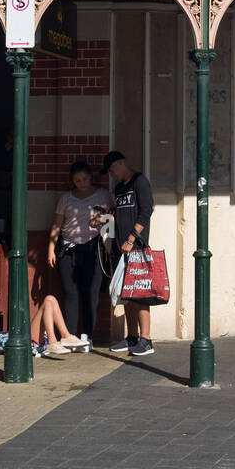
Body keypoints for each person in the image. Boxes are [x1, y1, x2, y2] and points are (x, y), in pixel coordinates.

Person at [97, 150, 155, 357]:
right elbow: (120, 212)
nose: (112, 174)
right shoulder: (119, 188)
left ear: (122, 163)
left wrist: (132, 238)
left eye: (113, 169)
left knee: (140, 294)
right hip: (119, 248)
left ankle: (146, 340)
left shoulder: (140, 181)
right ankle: (132, 337)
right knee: (127, 295)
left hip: (136, 247)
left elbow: (146, 210)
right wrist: (104, 217)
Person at [48, 160, 113, 344]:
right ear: (72, 181)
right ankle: (69, 335)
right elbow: (57, 225)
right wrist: (51, 250)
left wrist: (102, 221)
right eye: (78, 180)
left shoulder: (102, 195)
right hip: (69, 247)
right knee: (71, 293)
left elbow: (112, 218)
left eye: (84, 179)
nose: (82, 183)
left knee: (91, 292)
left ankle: (87, 335)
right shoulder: (66, 198)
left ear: (90, 177)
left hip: (94, 247)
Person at [0, 295, 82, 359]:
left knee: (51, 299)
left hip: (27, 335)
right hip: (28, 341)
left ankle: (66, 336)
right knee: (48, 301)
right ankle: (53, 342)